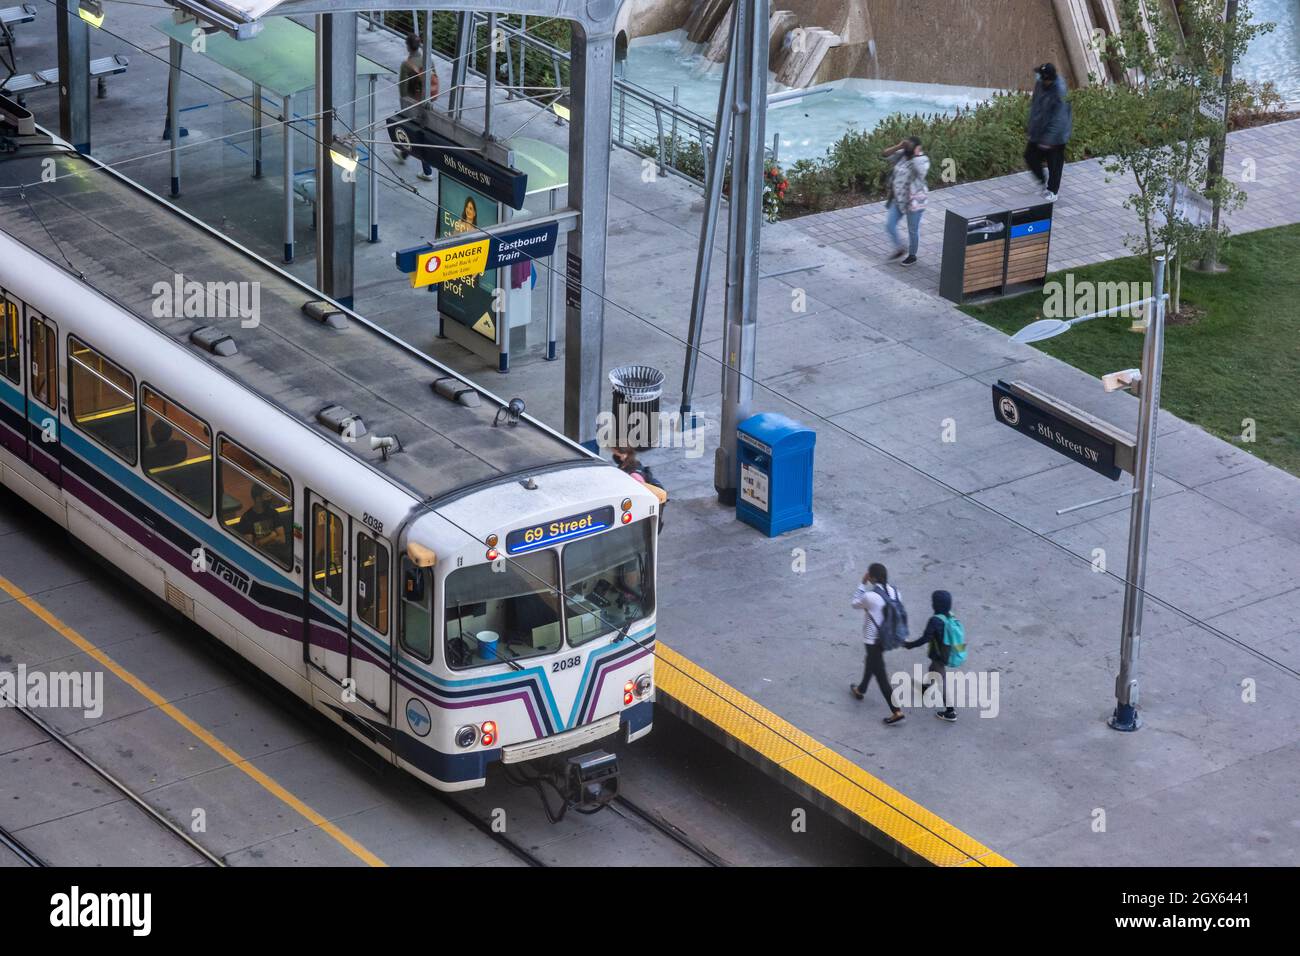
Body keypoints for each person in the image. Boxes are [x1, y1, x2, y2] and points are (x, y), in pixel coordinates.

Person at [849, 563, 906, 725]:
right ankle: (861, 689)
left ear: (871, 577)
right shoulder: (896, 592)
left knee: (881, 676)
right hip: (888, 637)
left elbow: (854, 603)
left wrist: (862, 583)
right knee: (871, 662)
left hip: (872, 639)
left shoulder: (870, 597)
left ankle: (896, 711)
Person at [904, 590, 959, 722]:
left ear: (936, 604)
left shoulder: (935, 620)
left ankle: (950, 711)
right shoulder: (949, 616)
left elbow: (925, 638)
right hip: (946, 652)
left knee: (941, 680)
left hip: (939, 656)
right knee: (932, 669)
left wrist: (909, 645)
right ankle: (926, 688)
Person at [1024, 62, 1072, 202]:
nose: (1038, 77)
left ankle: (1052, 191)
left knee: (1054, 164)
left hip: (1056, 135)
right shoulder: (1040, 84)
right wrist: (1031, 127)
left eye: (1041, 75)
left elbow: (1059, 119)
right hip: (1039, 130)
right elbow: (1035, 106)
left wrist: (1048, 140)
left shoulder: (1060, 90)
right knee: (1029, 156)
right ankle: (1042, 182)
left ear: (1048, 78)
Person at [881, 136, 929, 266]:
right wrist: (899, 146)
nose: (908, 147)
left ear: (917, 148)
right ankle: (900, 248)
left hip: (914, 201)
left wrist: (915, 154)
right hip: (898, 199)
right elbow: (884, 154)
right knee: (889, 225)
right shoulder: (901, 155)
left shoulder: (922, 160)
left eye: (910, 145)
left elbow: (921, 172)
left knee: (912, 230)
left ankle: (912, 255)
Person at [396, 33, 438, 181]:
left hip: (413, 104)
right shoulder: (429, 61)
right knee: (416, 132)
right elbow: (435, 80)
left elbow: (403, 88)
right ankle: (403, 153)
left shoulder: (406, 65)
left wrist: (404, 107)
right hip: (427, 103)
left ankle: (427, 171)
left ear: (408, 46)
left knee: (417, 135)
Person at [612, 446, 668, 529]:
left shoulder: (634, 475)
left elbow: (641, 495)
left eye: (615, 452)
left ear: (623, 454)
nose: (614, 455)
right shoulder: (630, 463)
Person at [236, 485, 290, 559]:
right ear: (258, 499)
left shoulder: (273, 513)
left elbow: (282, 539)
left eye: (270, 496)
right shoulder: (247, 518)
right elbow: (252, 546)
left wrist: (263, 541)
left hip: (277, 554)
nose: (270, 499)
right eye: (267, 497)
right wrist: (272, 536)